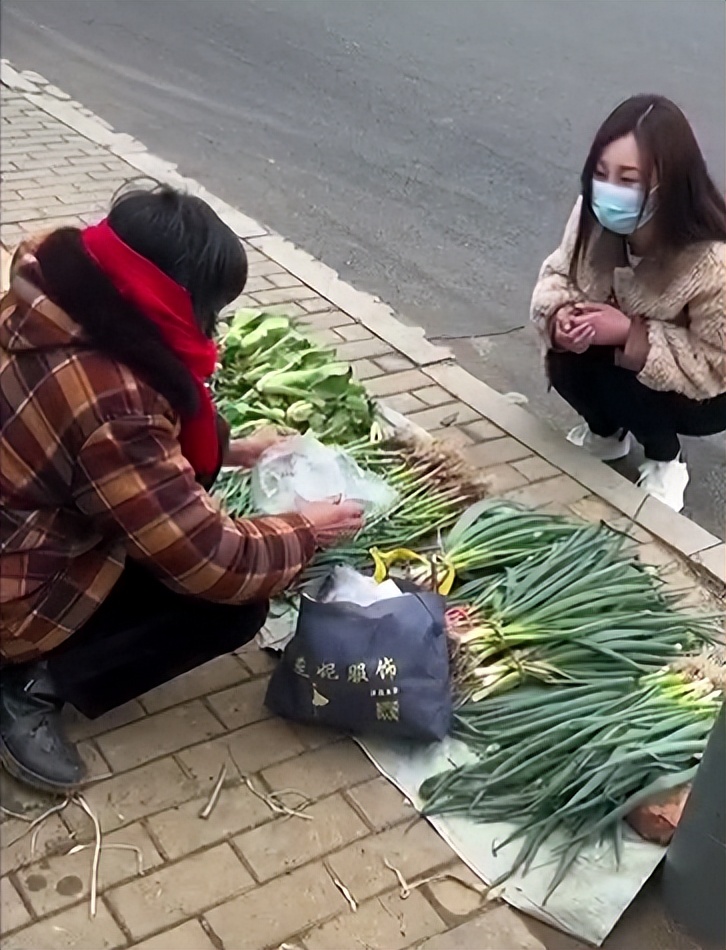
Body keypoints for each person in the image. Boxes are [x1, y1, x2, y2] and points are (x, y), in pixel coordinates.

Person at [0, 185, 364, 793]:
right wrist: (306, 529)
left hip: (23, 522)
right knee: (232, 607)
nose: (210, 325)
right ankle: (29, 683)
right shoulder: (116, 402)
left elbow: (95, 442)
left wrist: (232, 449)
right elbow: (214, 562)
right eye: (208, 307)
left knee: (184, 507)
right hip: (14, 589)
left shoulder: (52, 290)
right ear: (167, 294)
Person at [531, 94, 726, 512]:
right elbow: (557, 275)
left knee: (622, 365)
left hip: (708, 395)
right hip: (623, 359)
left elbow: (715, 363)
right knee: (567, 356)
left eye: (628, 178)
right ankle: (605, 434)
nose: (609, 190)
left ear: (668, 183)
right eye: (601, 173)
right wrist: (562, 316)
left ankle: (665, 459)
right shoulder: (591, 213)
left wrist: (629, 333)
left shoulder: (712, 259)